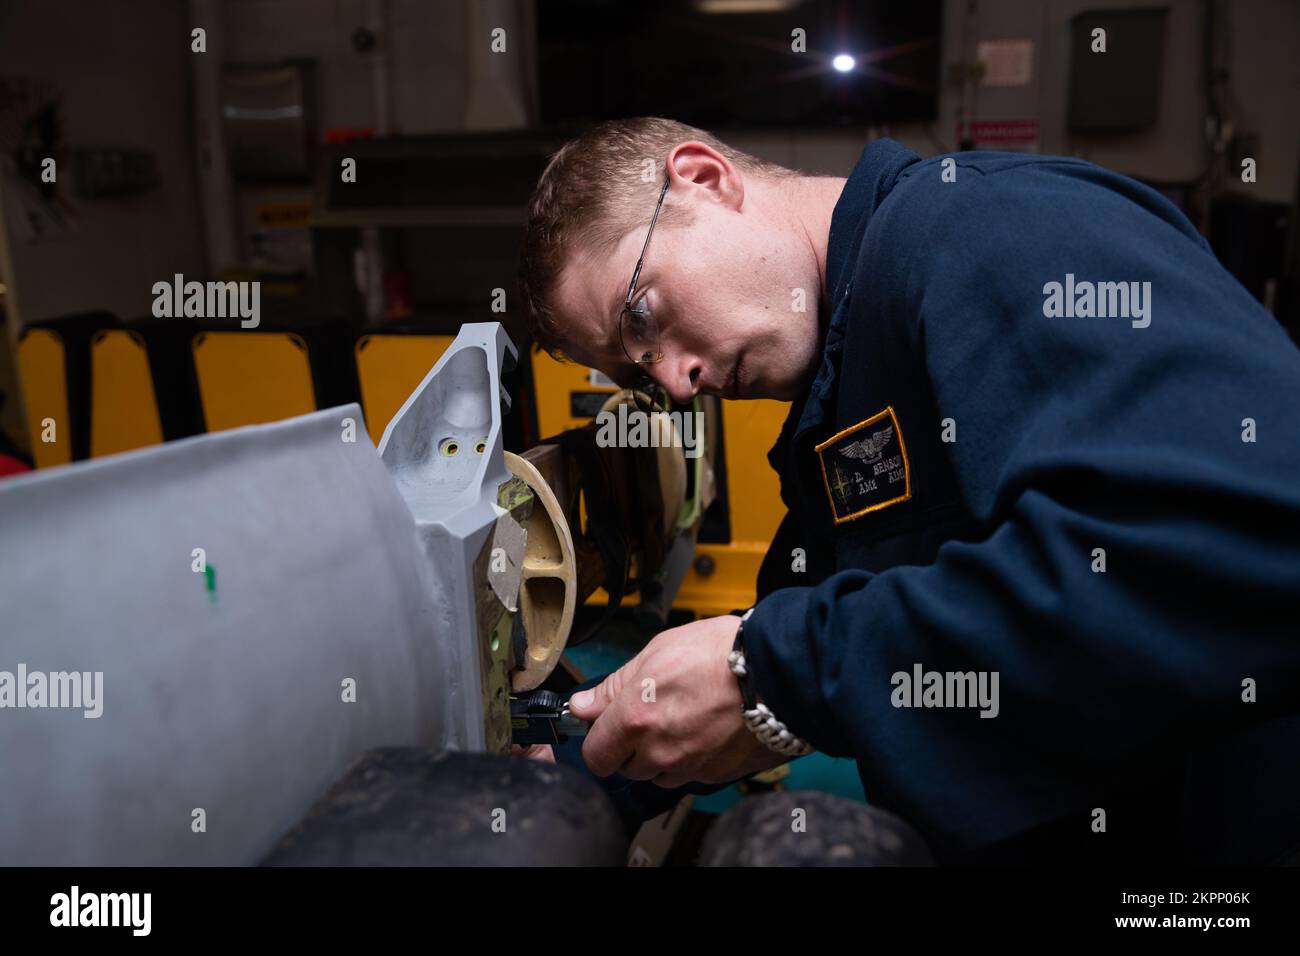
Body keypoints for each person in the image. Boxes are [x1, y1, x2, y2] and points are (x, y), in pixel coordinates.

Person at [516, 117, 1300, 864]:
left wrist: (774, 673)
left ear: (703, 178)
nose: (678, 383)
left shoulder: (985, 226)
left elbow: (1218, 545)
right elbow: (827, 616)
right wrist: (588, 768)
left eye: (642, 316)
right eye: (640, 374)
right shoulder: (848, 378)